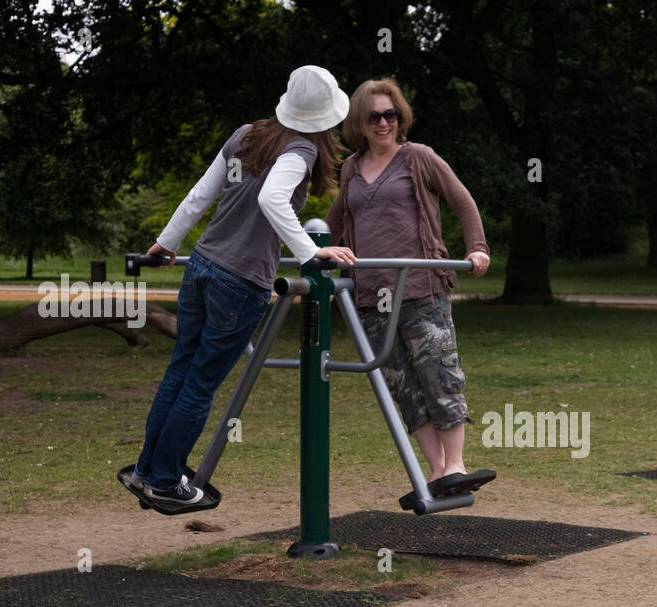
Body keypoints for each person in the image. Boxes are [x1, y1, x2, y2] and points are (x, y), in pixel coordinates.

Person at [120, 65, 357, 511]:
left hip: (203, 269)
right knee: (200, 384)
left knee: (181, 371)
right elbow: (271, 198)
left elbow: (200, 194)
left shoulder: (246, 135)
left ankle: (148, 470)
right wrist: (311, 252)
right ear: (328, 119)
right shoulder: (302, 149)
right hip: (241, 282)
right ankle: (167, 480)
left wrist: (167, 242)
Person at [326, 77, 494, 508]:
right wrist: (319, 254)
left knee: (438, 371)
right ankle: (437, 471)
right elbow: (337, 225)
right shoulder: (350, 169)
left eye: (390, 114)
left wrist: (476, 248)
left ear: (400, 117)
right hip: (371, 294)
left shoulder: (417, 157)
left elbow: (462, 200)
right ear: (359, 123)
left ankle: (455, 464)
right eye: (374, 116)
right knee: (400, 382)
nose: (383, 123)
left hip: (421, 286)